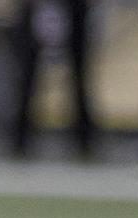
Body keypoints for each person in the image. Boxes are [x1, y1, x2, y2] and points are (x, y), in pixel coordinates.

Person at [10, 0, 95, 159]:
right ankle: (19, 139)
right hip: (36, 5)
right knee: (26, 77)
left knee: (79, 77)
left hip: (71, 6)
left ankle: (85, 140)